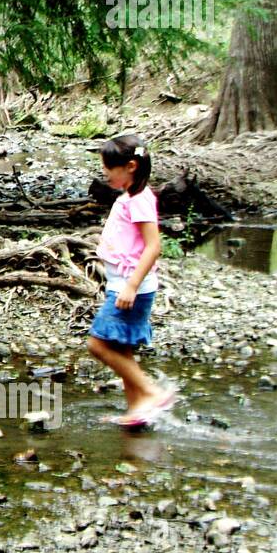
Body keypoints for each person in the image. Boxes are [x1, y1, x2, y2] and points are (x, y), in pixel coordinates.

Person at [87, 133, 177, 427]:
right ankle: (137, 408)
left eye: (108, 171)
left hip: (131, 288)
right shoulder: (132, 196)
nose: (105, 177)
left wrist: (131, 285)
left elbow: (154, 246)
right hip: (122, 284)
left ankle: (151, 392)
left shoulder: (139, 199)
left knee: (98, 345)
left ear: (130, 167)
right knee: (121, 348)